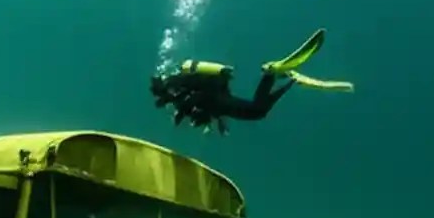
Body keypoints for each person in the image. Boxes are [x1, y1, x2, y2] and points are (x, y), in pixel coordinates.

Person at [149, 28, 353, 134]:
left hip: (216, 95)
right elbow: (201, 108)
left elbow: (194, 103)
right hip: (218, 97)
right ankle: (283, 79)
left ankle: (273, 74)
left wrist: (182, 114)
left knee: (257, 110)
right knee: (258, 111)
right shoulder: (178, 89)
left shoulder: (176, 87)